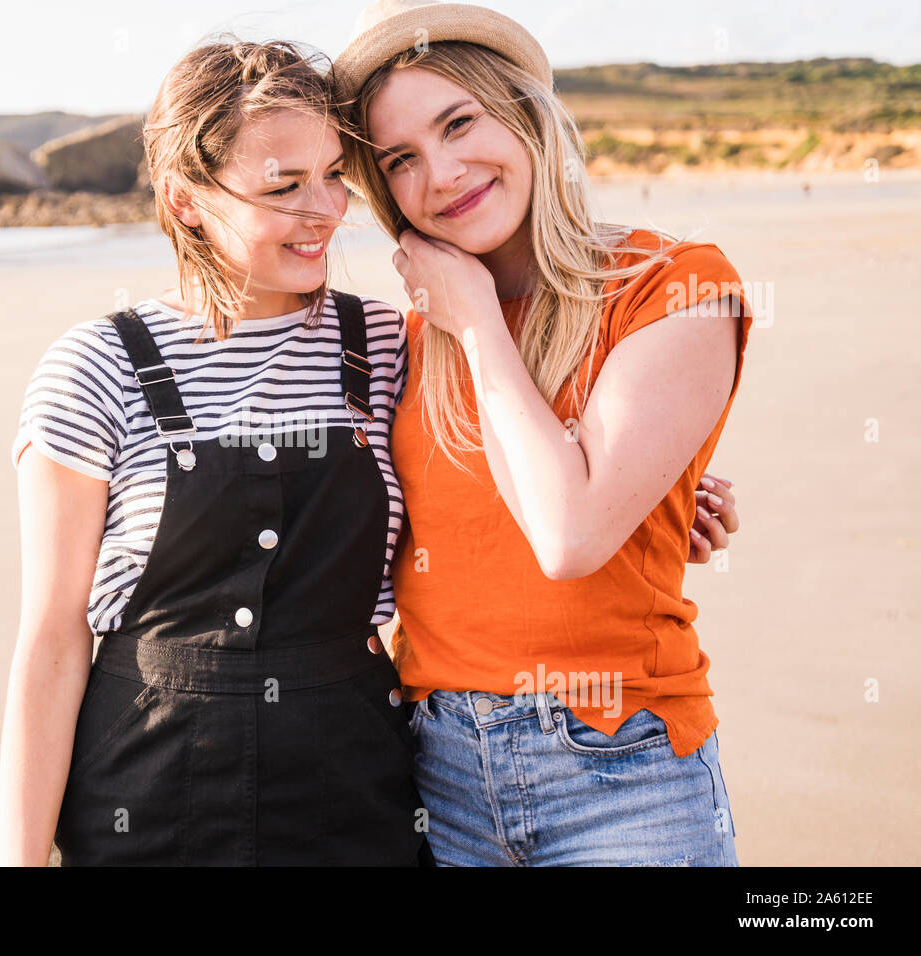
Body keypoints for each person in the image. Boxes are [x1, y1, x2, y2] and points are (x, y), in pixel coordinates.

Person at [333, 0, 752, 865]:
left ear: (523, 114)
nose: (442, 173)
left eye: (458, 123)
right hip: (432, 768)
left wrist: (480, 322)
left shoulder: (672, 285)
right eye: (402, 160)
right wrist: (667, 501)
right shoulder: (409, 342)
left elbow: (567, 536)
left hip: (621, 773)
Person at [0, 39, 431, 866]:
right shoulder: (94, 367)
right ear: (187, 200)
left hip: (355, 794)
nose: (328, 211)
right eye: (284, 187)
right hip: (145, 800)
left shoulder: (382, 342)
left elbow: (487, 484)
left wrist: (658, 488)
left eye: (335, 174)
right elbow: (51, 640)